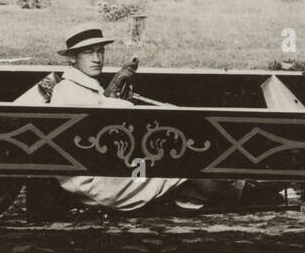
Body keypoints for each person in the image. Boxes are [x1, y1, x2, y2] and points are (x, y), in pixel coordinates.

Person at [49, 22, 209, 212]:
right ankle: (236, 192)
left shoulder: (81, 85)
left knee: (171, 158)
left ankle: (195, 194)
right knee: (179, 160)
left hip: (102, 171)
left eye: (100, 51)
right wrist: (116, 90)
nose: (97, 58)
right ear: (73, 58)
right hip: (96, 183)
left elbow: (100, 115)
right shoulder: (68, 91)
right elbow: (101, 123)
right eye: (88, 53)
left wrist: (114, 89)